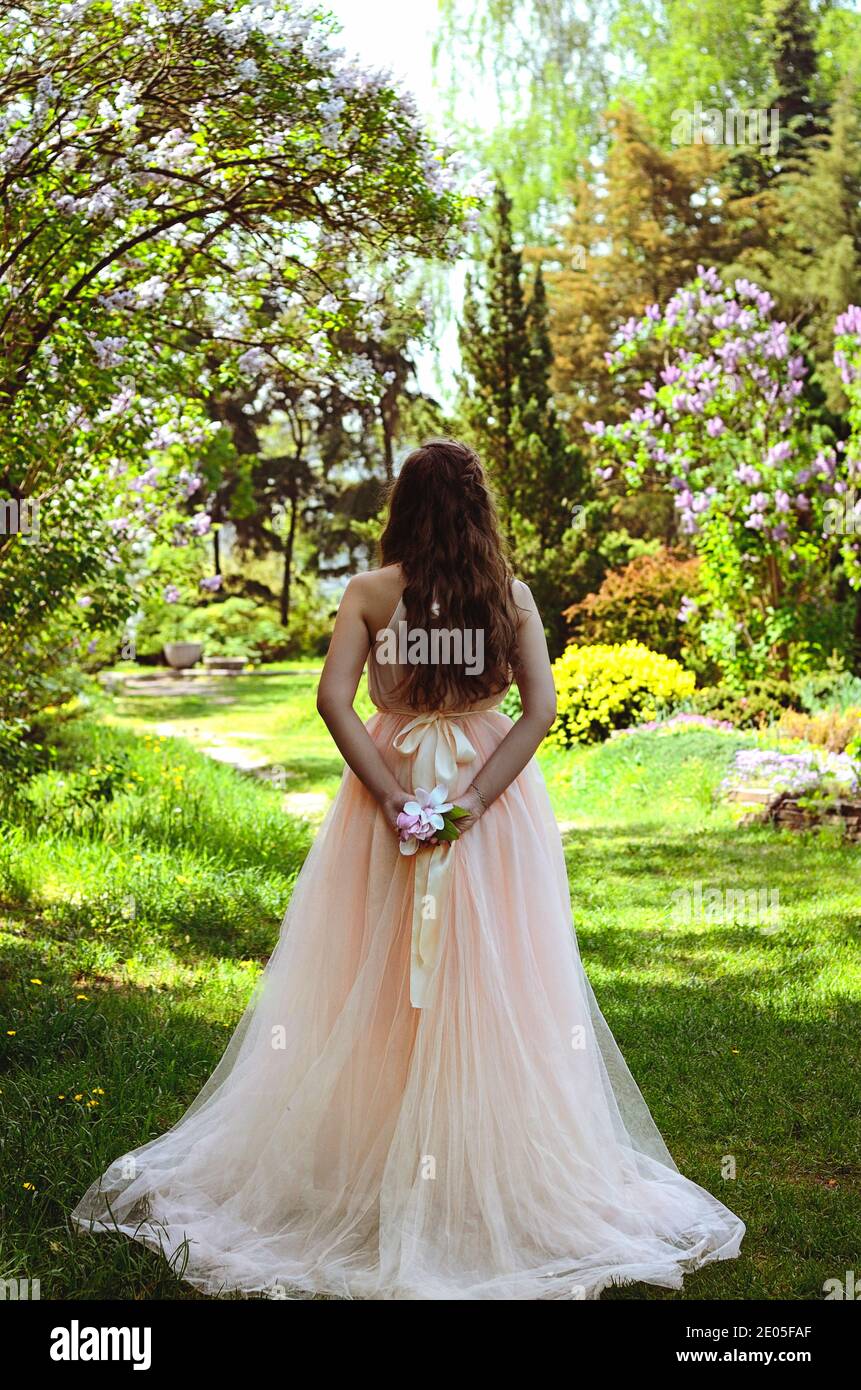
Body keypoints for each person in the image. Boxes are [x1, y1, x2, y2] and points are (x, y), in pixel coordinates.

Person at [72, 437, 744, 1299]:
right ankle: (470, 1155)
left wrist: (392, 794)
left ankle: (384, 1150)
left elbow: (331, 699)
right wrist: (472, 803)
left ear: (402, 509)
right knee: (497, 973)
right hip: (491, 804)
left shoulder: (369, 591)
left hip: (383, 795)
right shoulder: (511, 596)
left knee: (374, 971)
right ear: (478, 511)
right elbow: (539, 712)